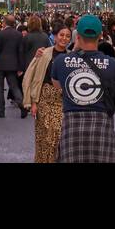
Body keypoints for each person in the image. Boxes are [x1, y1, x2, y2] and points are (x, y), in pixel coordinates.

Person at [52, 14, 115, 163]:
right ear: (101, 35)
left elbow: (58, 86)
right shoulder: (112, 64)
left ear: (77, 36)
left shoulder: (60, 62)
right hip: (102, 127)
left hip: (72, 128)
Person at [23, 24, 71, 163]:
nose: (64, 38)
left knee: (60, 137)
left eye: (68, 36)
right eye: (61, 35)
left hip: (63, 101)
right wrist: (33, 102)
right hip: (44, 99)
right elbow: (33, 77)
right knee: (45, 138)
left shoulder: (71, 57)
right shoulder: (44, 54)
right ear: (55, 36)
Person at [0, 15, 24, 118]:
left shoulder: (0, 34)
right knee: (14, 87)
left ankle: (1, 111)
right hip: (13, 65)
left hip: (0, 65)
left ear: (4, 23)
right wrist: (20, 67)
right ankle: (22, 106)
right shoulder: (18, 35)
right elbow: (20, 52)